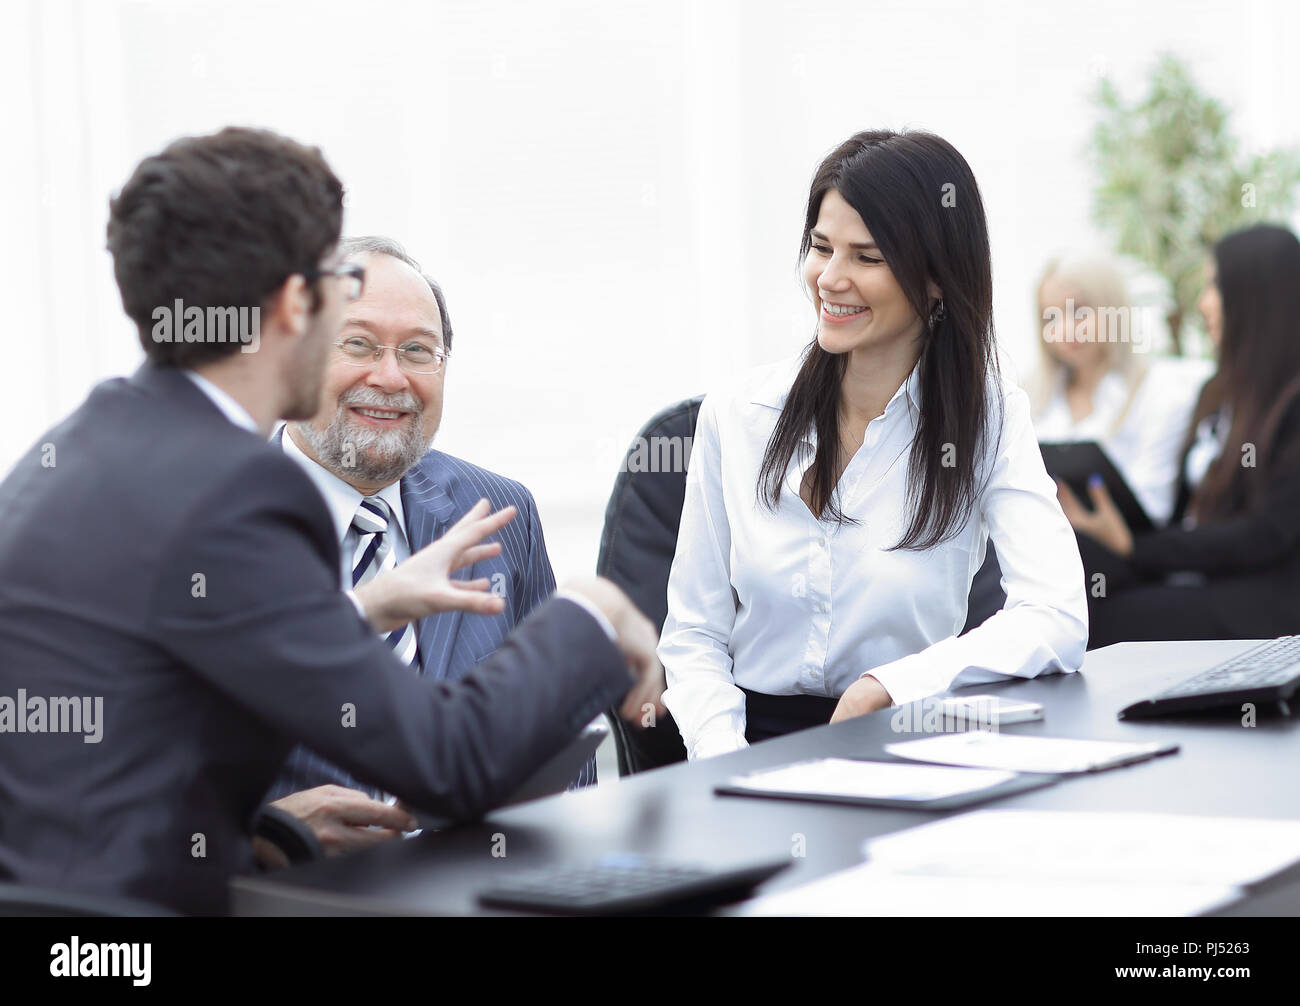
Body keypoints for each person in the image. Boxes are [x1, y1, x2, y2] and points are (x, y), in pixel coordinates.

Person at [0, 127, 663, 914]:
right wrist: (597, 611)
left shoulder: (73, 451)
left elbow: (128, 750)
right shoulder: (237, 489)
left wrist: (275, 831)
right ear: (294, 304)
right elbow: (451, 759)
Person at [659, 129, 1087, 760]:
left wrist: (890, 685)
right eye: (820, 248)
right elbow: (694, 635)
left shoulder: (987, 416)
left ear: (937, 278)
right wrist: (724, 761)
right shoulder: (740, 415)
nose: (830, 279)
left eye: (867, 257)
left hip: (903, 740)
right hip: (748, 748)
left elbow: (1056, 615)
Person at [262, 236, 591, 858]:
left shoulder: (496, 511)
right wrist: (262, 837)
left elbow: (563, 750)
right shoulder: (204, 527)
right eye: (357, 344)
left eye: (417, 351)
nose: (390, 377)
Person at [1058, 224, 1300, 646]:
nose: (1203, 304)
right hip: (1196, 577)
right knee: (1073, 561)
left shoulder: (1291, 404)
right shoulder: (1217, 392)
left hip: (1260, 600)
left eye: (1215, 287)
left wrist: (1137, 547)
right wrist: (1119, 530)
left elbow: (1265, 537)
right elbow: (1185, 518)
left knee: (1104, 615)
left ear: (1256, 298)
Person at [1031, 255, 1211, 525]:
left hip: (1121, 555)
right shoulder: (1031, 398)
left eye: (1079, 311)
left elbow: (1153, 508)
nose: (1065, 330)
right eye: (1050, 318)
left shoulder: (1158, 392)